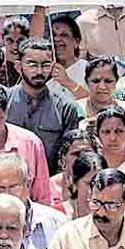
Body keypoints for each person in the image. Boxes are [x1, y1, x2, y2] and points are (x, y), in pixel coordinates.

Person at [0, 153, 68, 249]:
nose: (7, 194)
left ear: (28, 184)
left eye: (13, 187)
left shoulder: (58, 224)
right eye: (0, 188)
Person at [8, 38, 84, 171]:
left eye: (46, 65)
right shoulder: (4, 102)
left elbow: (70, 154)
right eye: (32, 64)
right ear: (18, 66)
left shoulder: (65, 107)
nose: (39, 71)